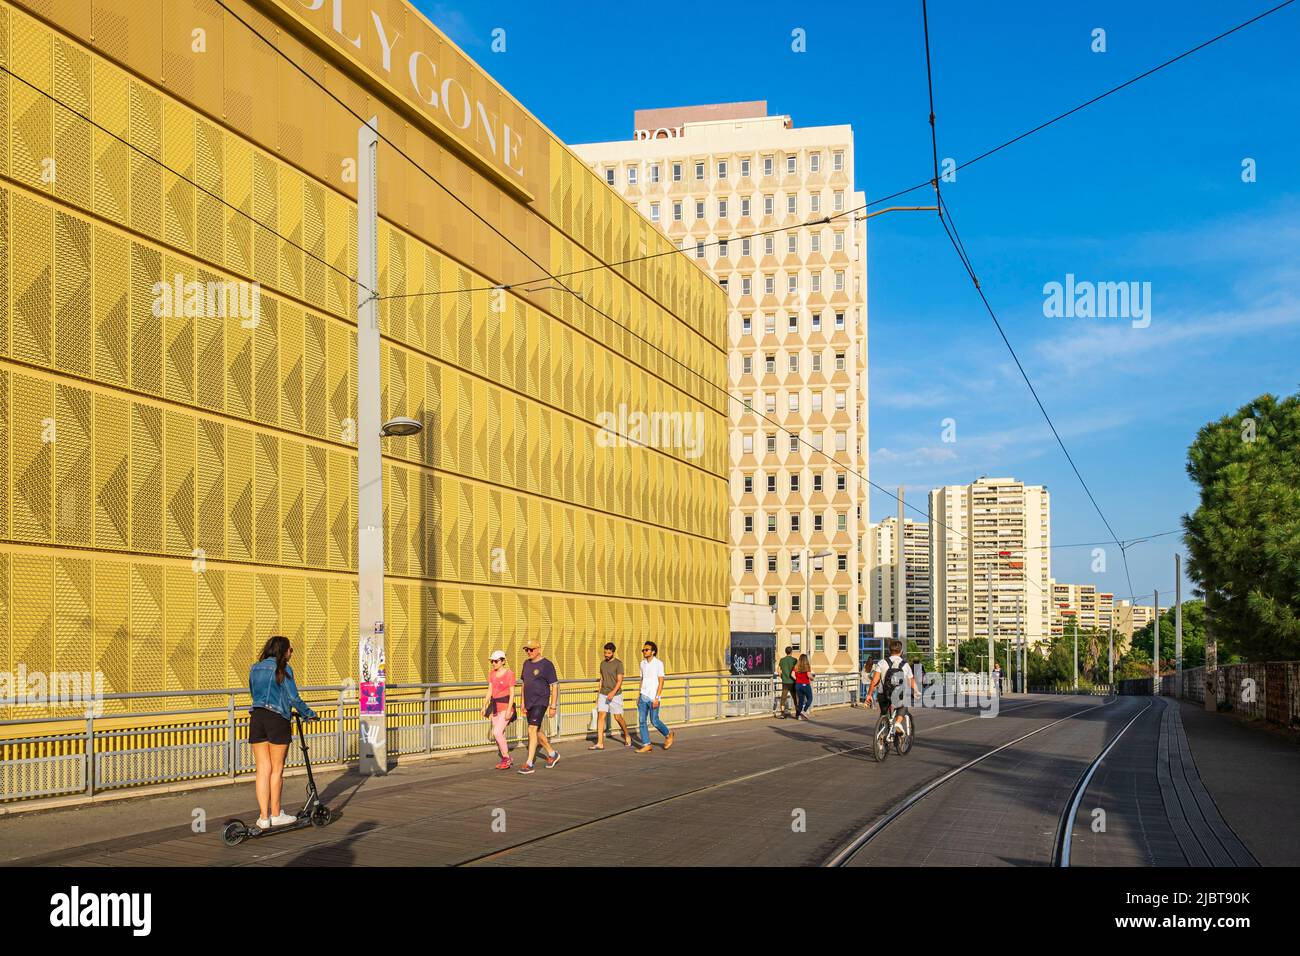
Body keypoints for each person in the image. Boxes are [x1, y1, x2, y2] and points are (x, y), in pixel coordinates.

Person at [248, 635, 317, 830]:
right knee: (276, 769)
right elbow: (293, 698)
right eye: (290, 649)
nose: (291, 652)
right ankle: (276, 814)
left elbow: (254, 693)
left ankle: (263, 817)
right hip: (277, 719)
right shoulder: (284, 668)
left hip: (257, 718)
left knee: (262, 769)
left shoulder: (255, 667)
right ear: (283, 651)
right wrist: (309, 714)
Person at [517, 638, 560, 774]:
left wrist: (553, 706)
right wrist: (522, 702)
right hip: (529, 702)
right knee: (536, 731)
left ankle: (529, 763)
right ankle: (553, 754)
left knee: (531, 730)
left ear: (539, 649)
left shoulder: (547, 665)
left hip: (541, 701)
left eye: (531, 649)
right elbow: (524, 684)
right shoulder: (526, 664)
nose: (529, 652)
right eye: (527, 650)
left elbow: (554, 685)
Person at [865, 640, 920, 736]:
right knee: (903, 705)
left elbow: (874, 681)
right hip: (898, 694)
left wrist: (869, 695)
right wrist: (916, 691)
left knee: (884, 714)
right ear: (901, 651)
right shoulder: (905, 665)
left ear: (889, 651)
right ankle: (898, 723)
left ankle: (881, 737)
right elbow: (911, 680)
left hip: (883, 694)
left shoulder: (882, 663)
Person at [635, 640, 675, 752]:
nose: (644, 651)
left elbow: (661, 681)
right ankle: (646, 744)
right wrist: (639, 695)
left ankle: (668, 734)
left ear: (653, 651)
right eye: (643, 650)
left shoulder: (658, 663)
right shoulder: (642, 663)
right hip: (643, 696)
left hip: (653, 697)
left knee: (654, 721)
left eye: (646, 649)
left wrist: (657, 698)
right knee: (642, 721)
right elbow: (642, 679)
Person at [591, 642, 632, 749]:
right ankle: (600, 743)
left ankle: (627, 735)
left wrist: (612, 693)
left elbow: (619, 681)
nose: (606, 655)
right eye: (605, 653)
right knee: (601, 716)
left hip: (616, 695)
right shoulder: (602, 664)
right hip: (603, 694)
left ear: (613, 653)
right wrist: (598, 695)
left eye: (609, 653)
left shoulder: (619, 664)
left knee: (618, 717)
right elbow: (602, 679)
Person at [482, 649, 515, 770]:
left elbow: (512, 693)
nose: (493, 663)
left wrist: (508, 710)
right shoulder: (492, 674)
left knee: (496, 732)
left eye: (496, 661)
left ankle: (506, 758)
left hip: (506, 707)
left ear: (502, 661)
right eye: (492, 661)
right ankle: (506, 758)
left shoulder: (509, 674)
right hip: (495, 707)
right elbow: (490, 690)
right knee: (500, 734)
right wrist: (484, 705)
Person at [777, 646, 798, 718]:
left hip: (785, 681)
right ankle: (797, 713)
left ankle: (782, 713)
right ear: (791, 652)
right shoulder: (795, 660)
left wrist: (782, 677)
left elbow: (778, 671)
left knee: (783, 698)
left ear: (786, 652)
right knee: (795, 698)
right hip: (793, 682)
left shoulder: (782, 660)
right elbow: (796, 670)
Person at [792, 653, 814, 720]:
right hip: (805, 685)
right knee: (810, 698)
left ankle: (799, 716)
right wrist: (813, 678)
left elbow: (792, 675)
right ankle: (804, 711)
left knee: (800, 701)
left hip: (798, 685)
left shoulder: (796, 666)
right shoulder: (807, 666)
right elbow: (809, 675)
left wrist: (798, 680)